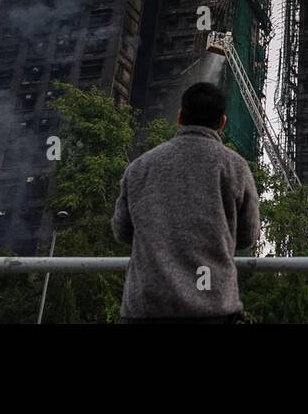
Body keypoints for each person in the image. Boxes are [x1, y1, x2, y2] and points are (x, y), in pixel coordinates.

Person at [111, 81, 260, 323]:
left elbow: (122, 231)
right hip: (213, 309)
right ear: (222, 122)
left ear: (179, 117)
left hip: (146, 309)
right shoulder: (236, 167)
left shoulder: (139, 167)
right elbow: (248, 235)